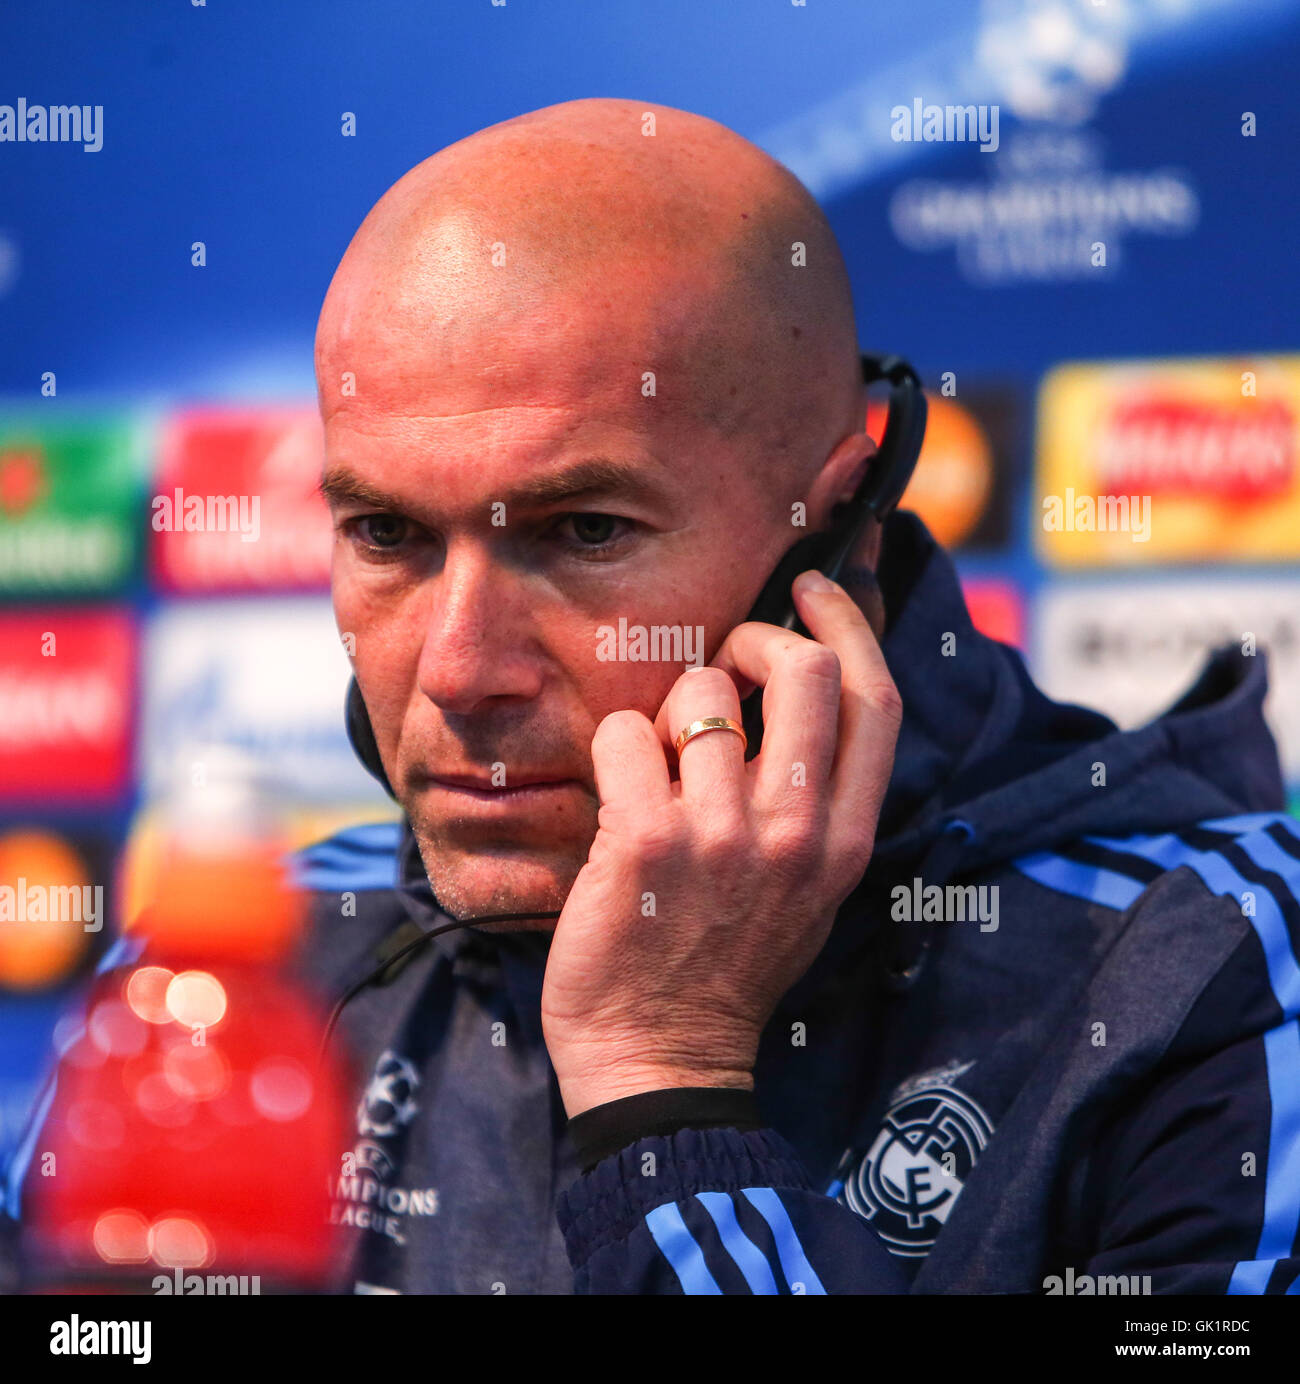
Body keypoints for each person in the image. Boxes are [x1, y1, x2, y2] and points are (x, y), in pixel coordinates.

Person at [7, 98, 1300, 1295]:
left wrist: (663, 1088)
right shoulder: (246, 987)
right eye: (389, 536)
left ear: (841, 530)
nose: (458, 671)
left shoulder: (1226, 973)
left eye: (582, 535)